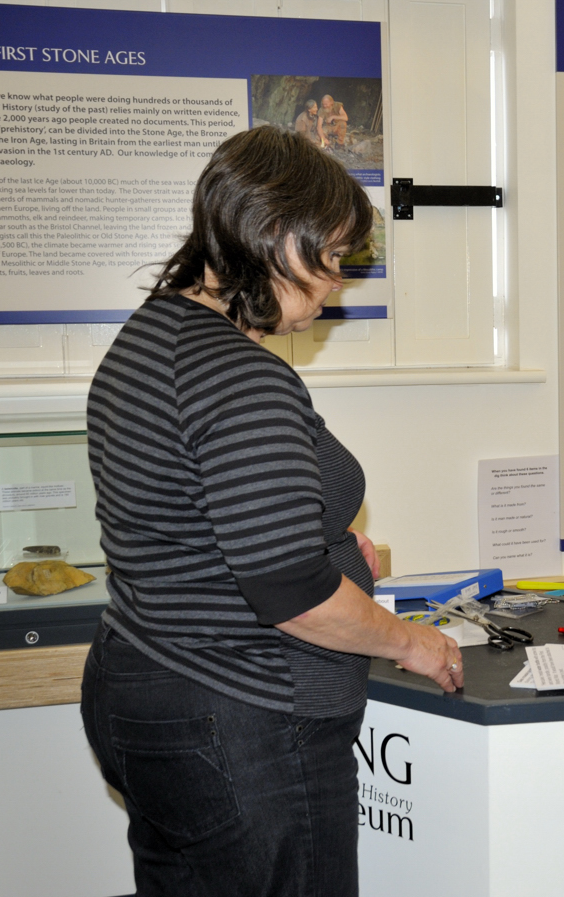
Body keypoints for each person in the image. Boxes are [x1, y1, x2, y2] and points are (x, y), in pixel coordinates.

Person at [80, 125, 462, 897]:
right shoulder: (241, 377)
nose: (334, 283)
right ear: (276, 237)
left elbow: (199, 518)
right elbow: (292, 593)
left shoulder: (150, 334)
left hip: (146, 679)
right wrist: (410, 641)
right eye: (329, 257)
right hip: (244, 721)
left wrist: (336, 543)